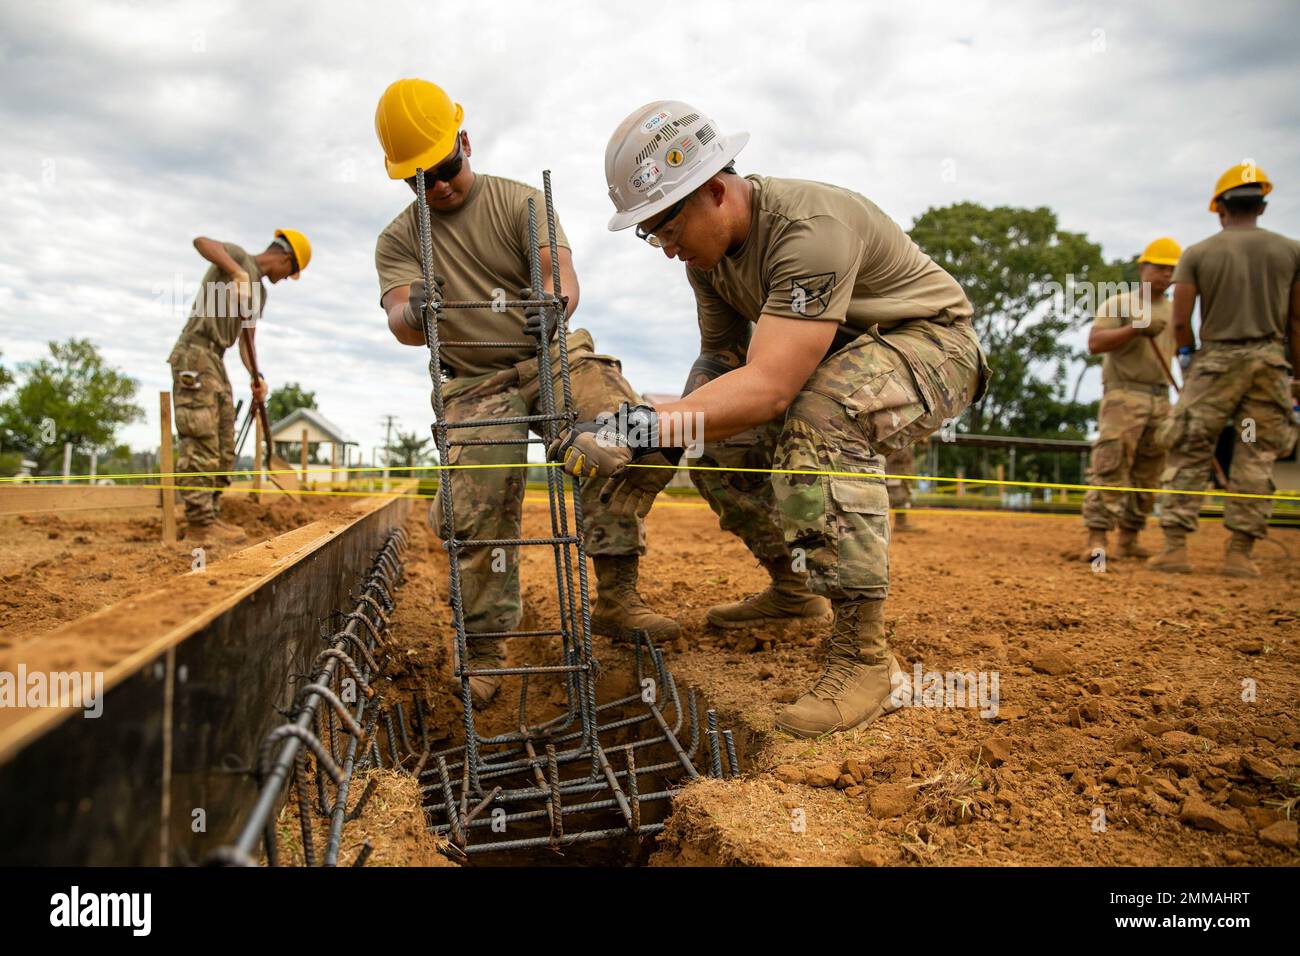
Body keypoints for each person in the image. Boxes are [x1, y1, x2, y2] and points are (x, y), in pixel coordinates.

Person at [552, 100, 990, 738]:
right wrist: (670, 436)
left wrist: (639, 426)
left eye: (664, 225)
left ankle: (866, 659)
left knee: (824, 417)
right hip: (837, 359)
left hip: (933, 345)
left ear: (716, 191)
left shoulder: (810, 229)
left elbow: (770, 389)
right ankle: (794, 588)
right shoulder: (709, 260)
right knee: (716, 449)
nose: (664, 247)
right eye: (650, 233)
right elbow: (721, 360)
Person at [373, 79, 679, 708]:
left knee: (628, 429)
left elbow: (558, 275)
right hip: (476, 383)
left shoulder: (520, 203)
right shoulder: (401, 239)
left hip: (550, 356)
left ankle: (617, 599)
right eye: (418, 179)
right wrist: (416, 310)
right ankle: (483, 646)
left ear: (464, 141)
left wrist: (552, 302)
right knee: (483, 481)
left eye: (444, 167)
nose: (437, 186)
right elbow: (400, 318)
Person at [1150, 164, 1300, 577]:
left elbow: (1182, 321)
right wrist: (1295, 378)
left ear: (1220, 209)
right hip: (1270, 364)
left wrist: (1187, 356)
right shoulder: (1291, 252)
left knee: (1189, 449)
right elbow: (1297, 322)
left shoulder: (1199, 254)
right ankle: (1239, 554)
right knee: (1255, 455)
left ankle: (1176, 548)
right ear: (1263, 206)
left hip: (1214, 363)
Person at [168, 228, 310, 542]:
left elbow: (247, 345)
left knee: (223, 440)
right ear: (285, 258)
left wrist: (256, 377)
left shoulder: (260, 292)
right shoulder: (237, 256)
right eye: (291, 272)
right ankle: (198, 525)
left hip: (216, 360)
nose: (287, 278)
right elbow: (201, 242)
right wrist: (236, 273)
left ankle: (211, 516)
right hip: (195, 353)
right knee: (200, 436)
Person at [1078, 238, 1181, 560]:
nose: (1165, 275)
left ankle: (1129, 538)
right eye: (1159, 267)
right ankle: (1098, 540)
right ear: (1143, 268)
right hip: (1124, 395)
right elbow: (1095, 343)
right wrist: (1136, 328)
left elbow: (1186, 350)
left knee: (1150, 472)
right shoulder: (1119, 304)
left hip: (1161, 397)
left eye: (1171, 270)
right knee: (1111, 465)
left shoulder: (1178, 309)